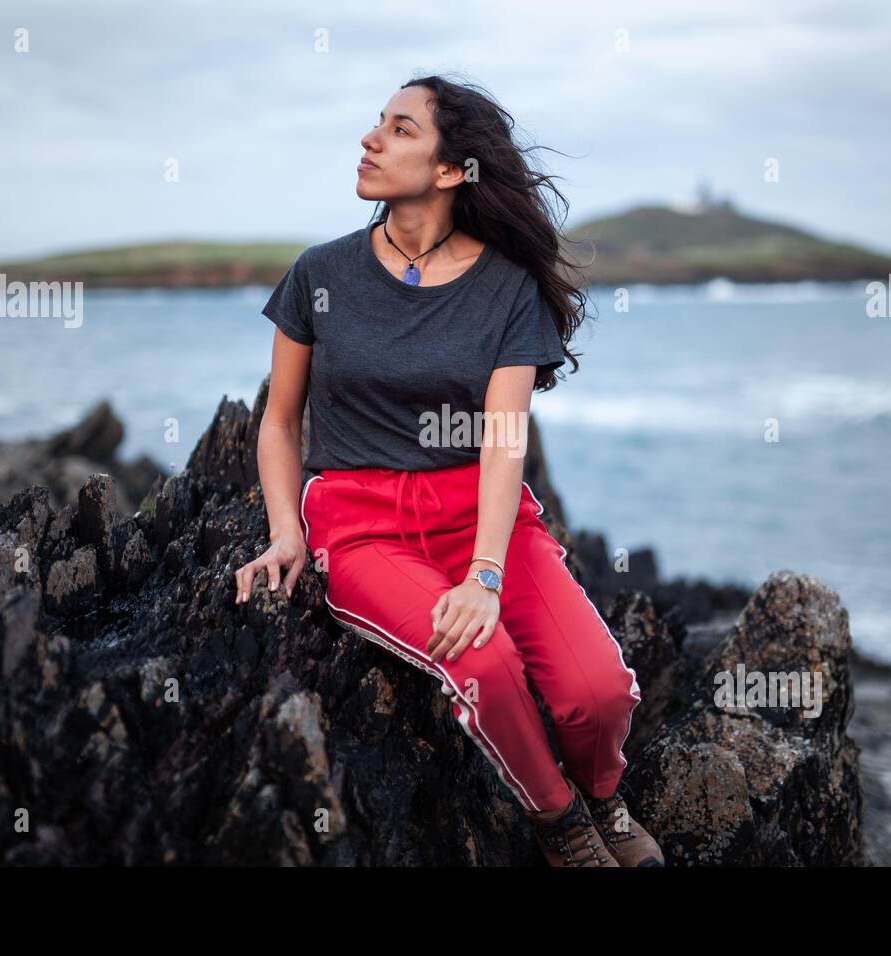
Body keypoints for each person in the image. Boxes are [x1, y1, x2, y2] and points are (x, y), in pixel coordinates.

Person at [235, 74, 663, 868]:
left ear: (450, 170)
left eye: (399, 130)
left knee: (596, 689)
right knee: (483, 660)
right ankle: (560, 821)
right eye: (377, 124)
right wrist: (286, 531)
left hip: (480, 514)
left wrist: (486, 573)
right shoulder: (319, 275)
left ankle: (605, 794)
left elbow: (506, 440)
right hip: (361, 526)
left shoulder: (507, 288)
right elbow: (280, 421)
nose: (371, 139)